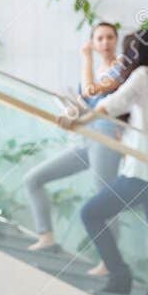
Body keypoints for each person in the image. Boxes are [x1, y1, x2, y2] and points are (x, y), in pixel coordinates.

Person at [61, 28, 148, 295]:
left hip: (140, 172)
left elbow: (111, 104)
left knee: (91, 214)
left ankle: (120, 276)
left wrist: (79, 120)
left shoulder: (141, 75)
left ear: (136, 53)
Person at [23, 22, 126, 261]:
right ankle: (46, 236)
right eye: (99, 38)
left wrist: (86, 57)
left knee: (105, 198)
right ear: (93, 41)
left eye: (110, 37)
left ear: (116, 40)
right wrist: (69, 107)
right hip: (85, 140)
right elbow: (85, 105)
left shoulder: (121, 66)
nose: (105, 42)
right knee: (34, 179)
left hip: (107, 139)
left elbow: (91, 91)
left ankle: (110, 263)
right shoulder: (95, 70)